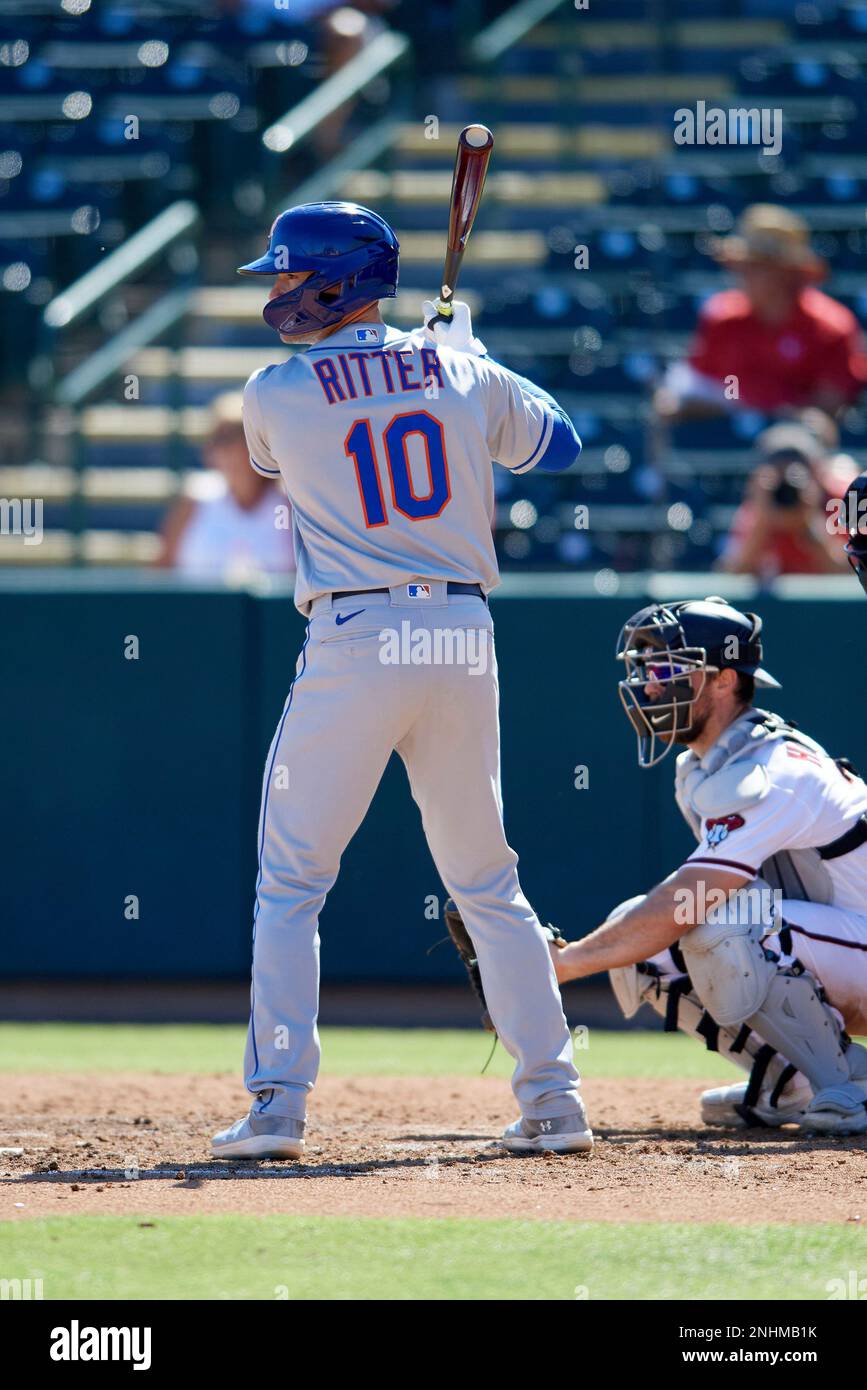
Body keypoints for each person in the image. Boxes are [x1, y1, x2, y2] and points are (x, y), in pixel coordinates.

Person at [211, 200, 592, 1161]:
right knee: (485, 880)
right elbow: (559, 445)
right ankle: (553, 1101)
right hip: (461, 633)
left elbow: (279, 454)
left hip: (356, 631)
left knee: (291, 882)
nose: (280, 290)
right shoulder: (459, 369)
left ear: (336, 279)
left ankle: (278, 1107)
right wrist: (472, 358)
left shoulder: (273, 392)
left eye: (292, 275)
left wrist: (427, 366)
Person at [449, 599, 867, 1135]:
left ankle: (847, 1086)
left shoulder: (773, 769)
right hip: (838, 946)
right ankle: (792, 1085)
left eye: (668, 669)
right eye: (645, 669)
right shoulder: (702, 767)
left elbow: (690, 899)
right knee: (646, 948)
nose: (649, 686)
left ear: (722, 681)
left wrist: (556, 966)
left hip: (853, 945)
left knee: (718, 920)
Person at [655, 205, 867, 420]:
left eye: (757, 267)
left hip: (798, 443)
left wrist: (779, 414)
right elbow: (714, 386)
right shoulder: (722, 318)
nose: (743, 276)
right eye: (742, 266)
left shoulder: (830, 327)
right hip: (735, 440)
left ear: (788, 273)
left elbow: (830, 408)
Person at [157, 392, 295, 579]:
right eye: (215, 439)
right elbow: (160, 574)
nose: (216, 448)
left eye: (229, 438)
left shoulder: (288, 505)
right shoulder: (193, 501)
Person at [719, 420, 856, 578]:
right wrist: (763, 523)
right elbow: (734, 573)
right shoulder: (761, 504)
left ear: (816, 471)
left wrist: (811, 523)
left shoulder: (842, 499)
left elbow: (852, 575)